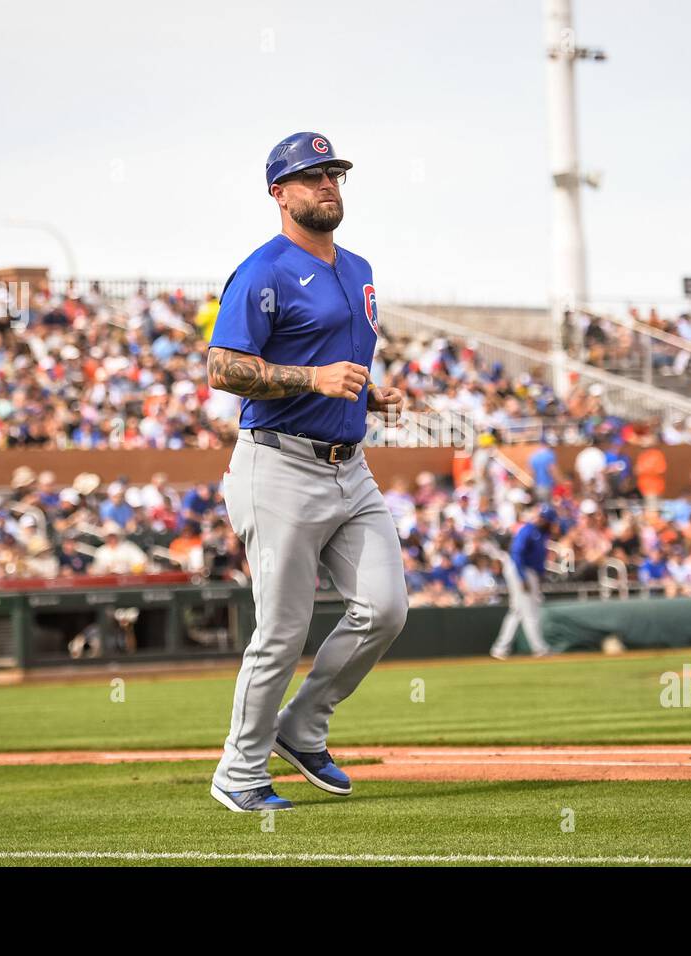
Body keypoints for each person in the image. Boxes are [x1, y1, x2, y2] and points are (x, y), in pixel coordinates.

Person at [205, 131, 408, 813]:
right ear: (279, 193)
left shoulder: (358, 267)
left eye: (334, 174)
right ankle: (239, 771)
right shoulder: (262, 270)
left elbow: (335, 362)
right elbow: (223, 367)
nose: (328, 185)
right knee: (282, 631)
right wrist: (311, 378)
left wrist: (368, 393)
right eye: (312, 175)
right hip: (278, 464)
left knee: (385, 608)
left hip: (351, 468)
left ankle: (301, 727)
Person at [489, 505, 556, 659]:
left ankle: (500, 648)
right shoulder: (528, 530)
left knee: (517, 610)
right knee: (530, 610)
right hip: (520, 569)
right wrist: (522, 577)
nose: (543, 520)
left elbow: (538, 559)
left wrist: (538, 576)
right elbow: (517, 553)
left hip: (528, 571)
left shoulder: (541, 533)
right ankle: (539, 648)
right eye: (543, 517)